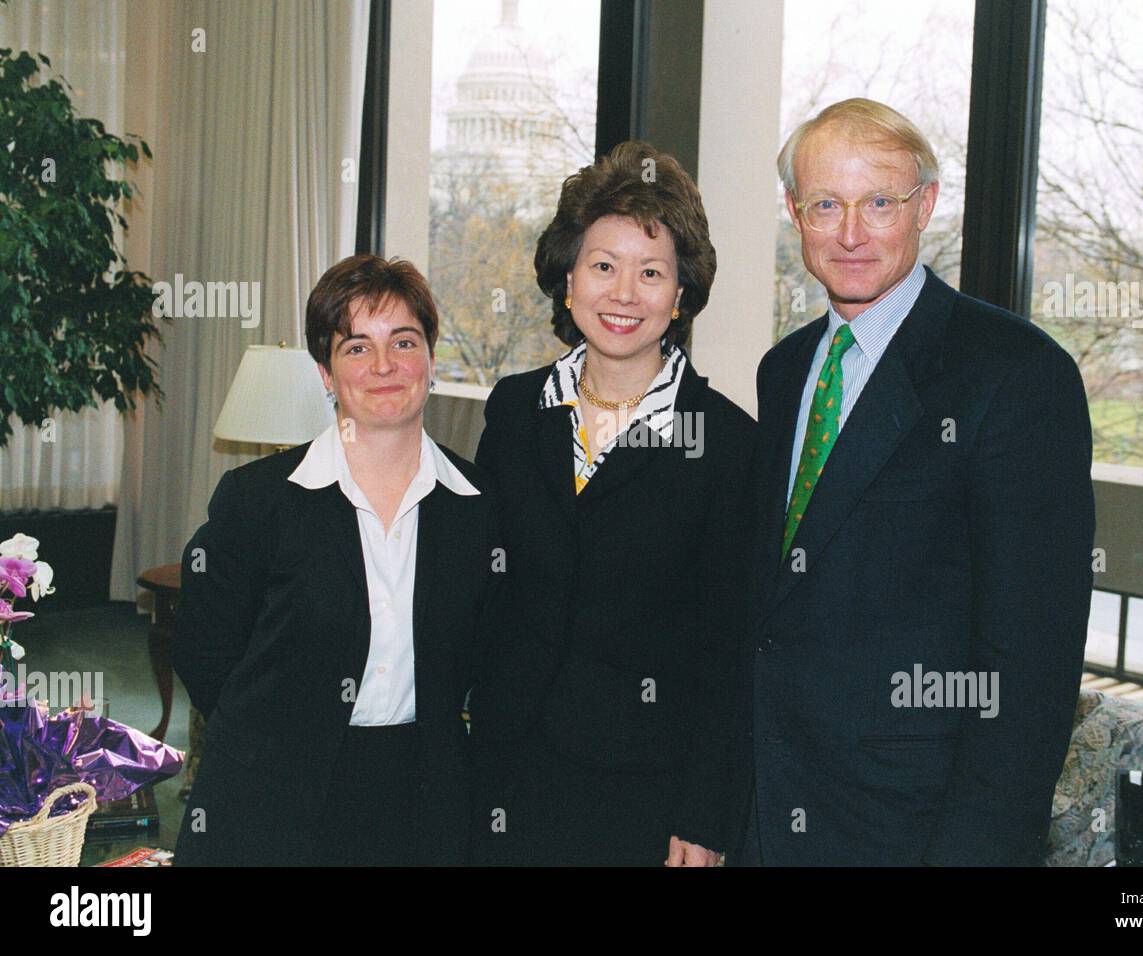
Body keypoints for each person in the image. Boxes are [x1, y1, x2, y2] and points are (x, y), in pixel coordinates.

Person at [736, 98, 1096, 865]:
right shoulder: (785, 370)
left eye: (880, 203)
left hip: (913, 831)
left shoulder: (1016, 375)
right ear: (796, 214)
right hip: (770, 813)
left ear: (925, 205)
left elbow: (1030, 663)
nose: (852, 233)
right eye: (826, 204)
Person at [468, 141, 755, 866]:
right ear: (568, 282)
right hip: (505, 766)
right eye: (603, 266)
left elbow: (732, 647)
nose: (624, 293)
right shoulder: (515, 410)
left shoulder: (726, 444)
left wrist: (706, 813)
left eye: (651, 272)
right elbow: (482, 587)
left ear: (681, 295)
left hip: (646, 794)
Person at [173, 254, 499, 866]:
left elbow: (488, 657)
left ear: (430, 358)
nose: (383, 366)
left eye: (403, 341)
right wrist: (274, 734)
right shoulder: (257, 499)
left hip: (423, 796)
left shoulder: (478, 507)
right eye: (355, 347)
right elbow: (203, 650)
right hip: (271, 795)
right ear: (325, 372)